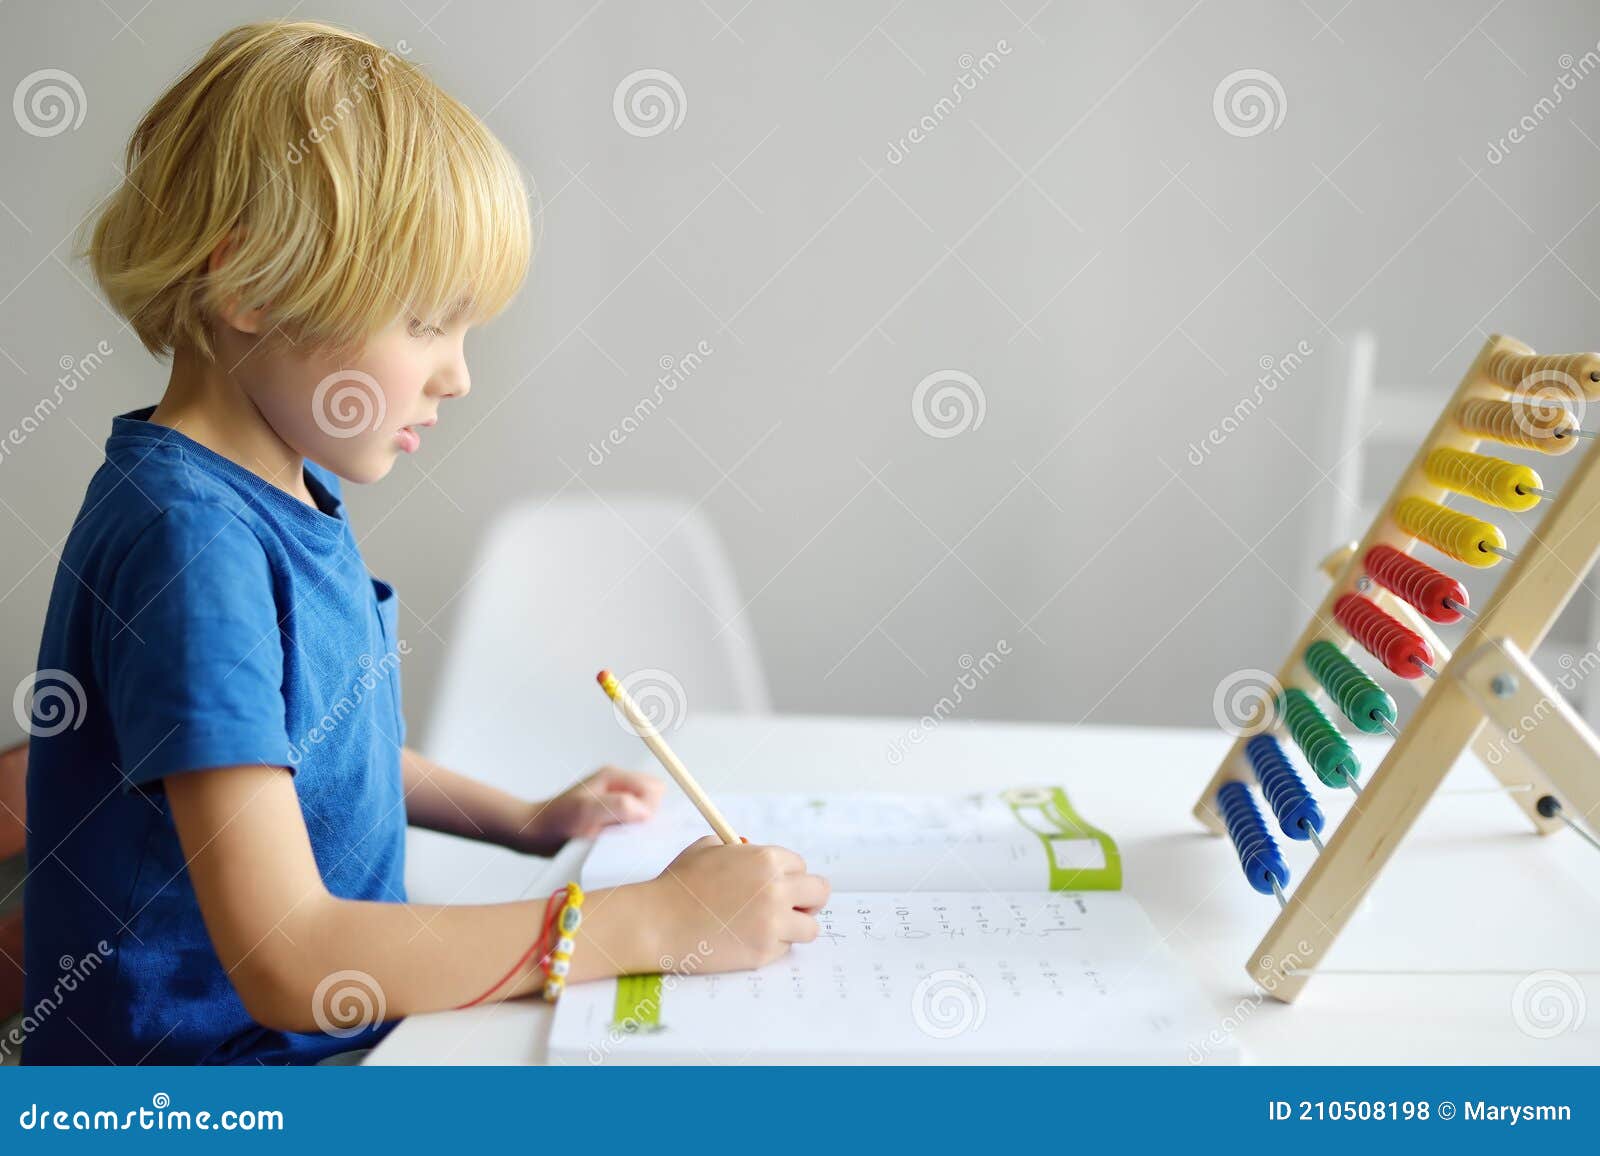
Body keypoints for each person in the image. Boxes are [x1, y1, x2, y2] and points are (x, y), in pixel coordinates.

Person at [22, 20, 825, 1065]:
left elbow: (323, 746)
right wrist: (649, 924)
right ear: (250, 286)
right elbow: (288, 957)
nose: (458, 375)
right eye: (426, 322)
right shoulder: (192, 545)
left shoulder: (270, 497)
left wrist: (524, 819)